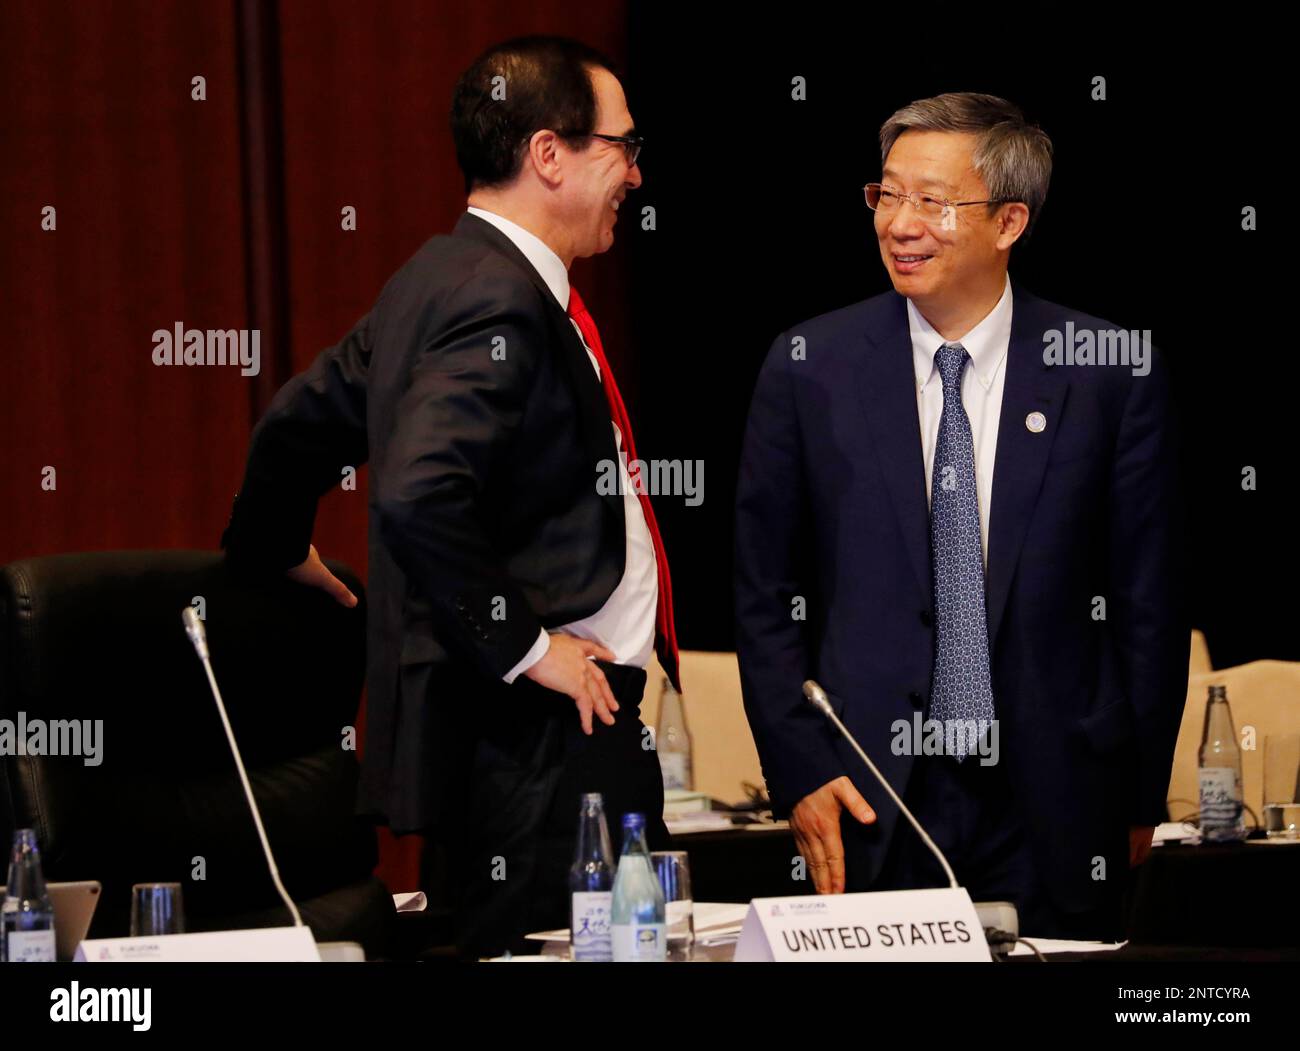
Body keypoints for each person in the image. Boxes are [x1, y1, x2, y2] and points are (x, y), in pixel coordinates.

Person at [220, 35, 678, 958]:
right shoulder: (496, 298)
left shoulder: (432, 279)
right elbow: (421, 495)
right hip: (544, 737)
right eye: (623, 146)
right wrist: (526, 644)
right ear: (550, 155)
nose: (635, 171)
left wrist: (272, 542)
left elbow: (293, 427)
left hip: (517, 738)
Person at [734, 92, 1187, 939]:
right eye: (887, 194)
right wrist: (799, 768)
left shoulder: (1108, 374)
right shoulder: (809, 367)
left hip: (1056, 804)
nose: (900, 223)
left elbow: (1148, 609)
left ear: (1010, 220)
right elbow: (764, 595)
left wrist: (1135, 794)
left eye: (933, 202)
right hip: (871, 795)